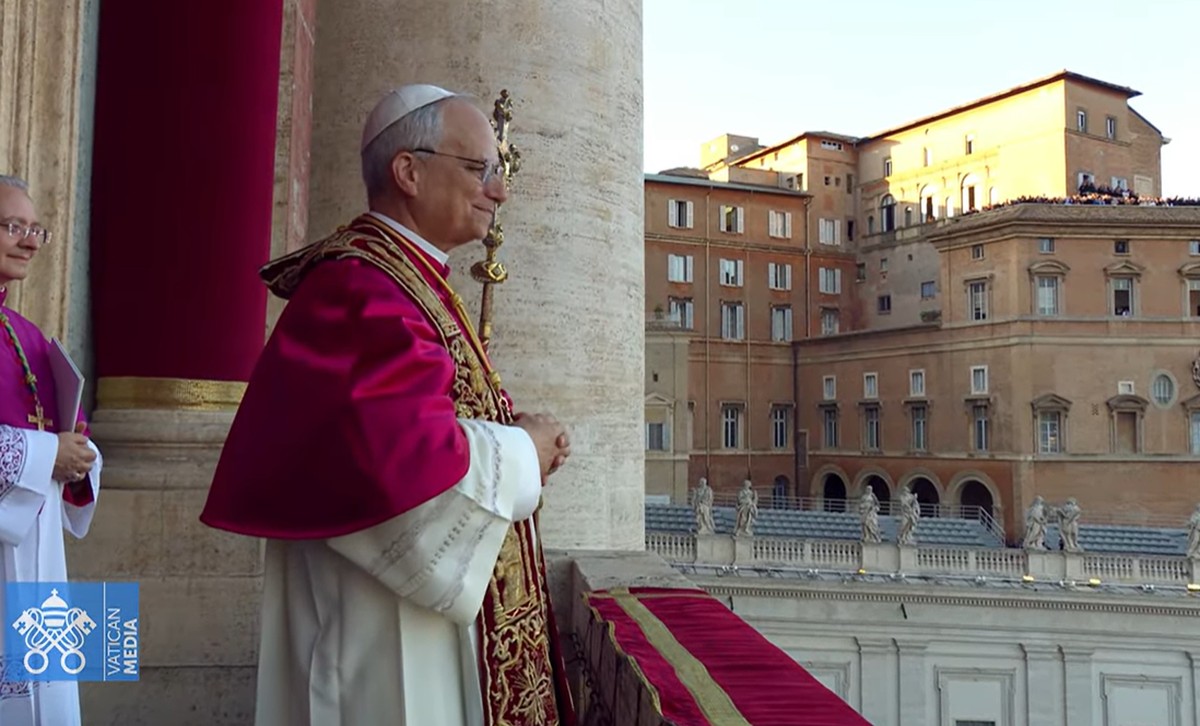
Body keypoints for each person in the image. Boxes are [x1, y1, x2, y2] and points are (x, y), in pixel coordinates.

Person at [199, 85, 575, 726]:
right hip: (379, 630)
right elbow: (396, 462)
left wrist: (510, 437)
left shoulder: (404, 277)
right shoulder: (364, 286)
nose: (499, 191)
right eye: (480, 169)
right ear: (409, 170)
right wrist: (522, 454)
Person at [0, 175, 102, 726]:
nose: (32, 242)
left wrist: (80, 460)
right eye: (13, 227)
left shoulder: (28, 334)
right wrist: (46, 455)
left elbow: (70, 433)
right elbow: (46, 447)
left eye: (36, 229)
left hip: (40, 551)